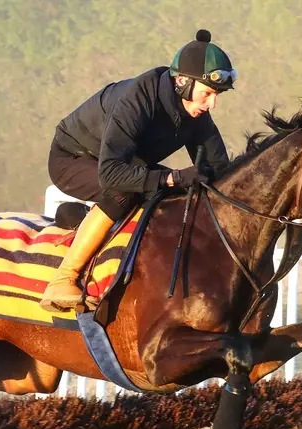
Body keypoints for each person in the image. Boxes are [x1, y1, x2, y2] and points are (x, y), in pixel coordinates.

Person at [40, 29, 238, 312]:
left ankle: (85, 222)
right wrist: (173, 177)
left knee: (175, 193)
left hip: (125, 163)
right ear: (182, 81)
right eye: (207, 93)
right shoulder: (137, 99)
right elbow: (111, 174)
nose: (211, 104)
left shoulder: (196, 113)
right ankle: (62, 279)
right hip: (73, 159)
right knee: (127, 191)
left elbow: (219, 170)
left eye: (216, 95)